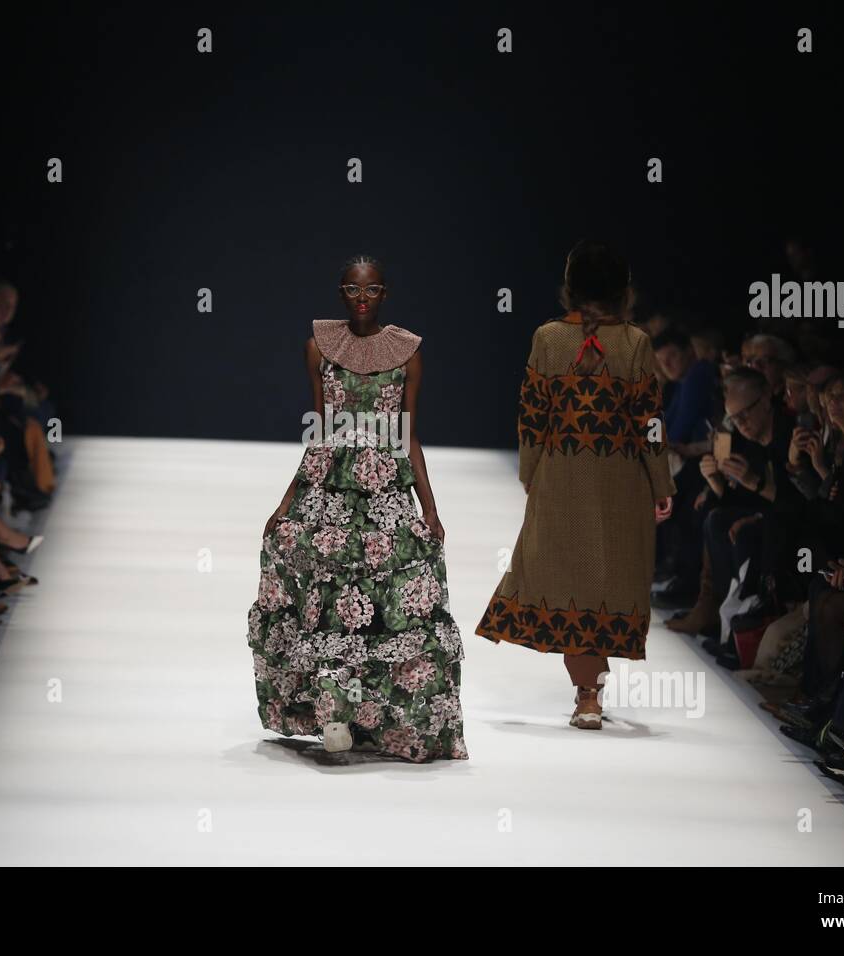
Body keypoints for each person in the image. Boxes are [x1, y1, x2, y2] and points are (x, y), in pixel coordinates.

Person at [246, 255, 468, 763]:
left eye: (369, 290)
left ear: (384, 293)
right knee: (330, 601)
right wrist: (287, 501)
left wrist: (430, 507)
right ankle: (333, 715)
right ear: (341, 292)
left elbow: (409, 435)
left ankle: (380, 719)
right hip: (331, 486)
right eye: (351, 289)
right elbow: (320, 432)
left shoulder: (407, 352)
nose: (361, 298)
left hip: (387, 491)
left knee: (392, 604)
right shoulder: (317, 350)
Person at [475, 240, 675, 729]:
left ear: (570, 287)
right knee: (605, 579)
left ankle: (587, 694)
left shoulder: (548, 338)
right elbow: (649, 422)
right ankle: (590, 692)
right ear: (624, 290)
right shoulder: (635, 343)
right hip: (621, 481)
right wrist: (661, 482)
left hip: (562, 475)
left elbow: (532, 414)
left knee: (568, 577)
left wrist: (531, 472)